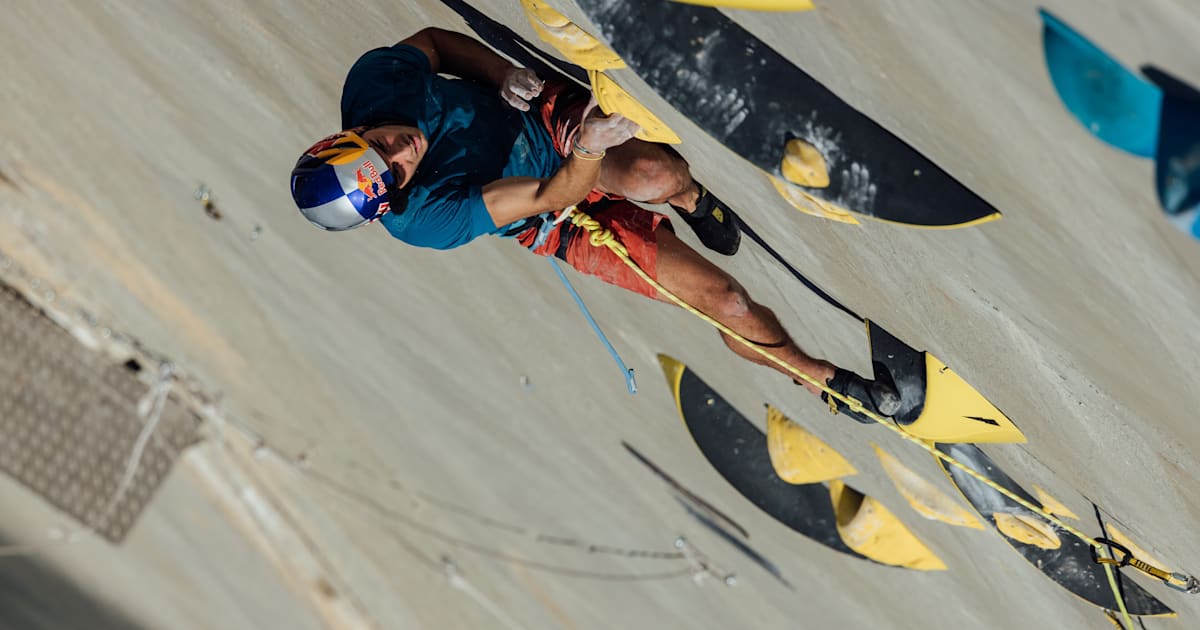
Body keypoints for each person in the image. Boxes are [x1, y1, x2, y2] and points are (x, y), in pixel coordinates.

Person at [289, 27, 899, 422]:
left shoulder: (374, 83)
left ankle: (690, 198)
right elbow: (551, 193)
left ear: (351, 134)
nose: (402, 149)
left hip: (537, 119)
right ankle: (826, 383)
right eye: (395, 172)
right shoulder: (426, 220)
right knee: (725, 302)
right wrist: (589, 146)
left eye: (380, 145)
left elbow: (435, 45)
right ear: (390, 201)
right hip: (553, 211)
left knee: (657, 176)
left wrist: (502, 76)